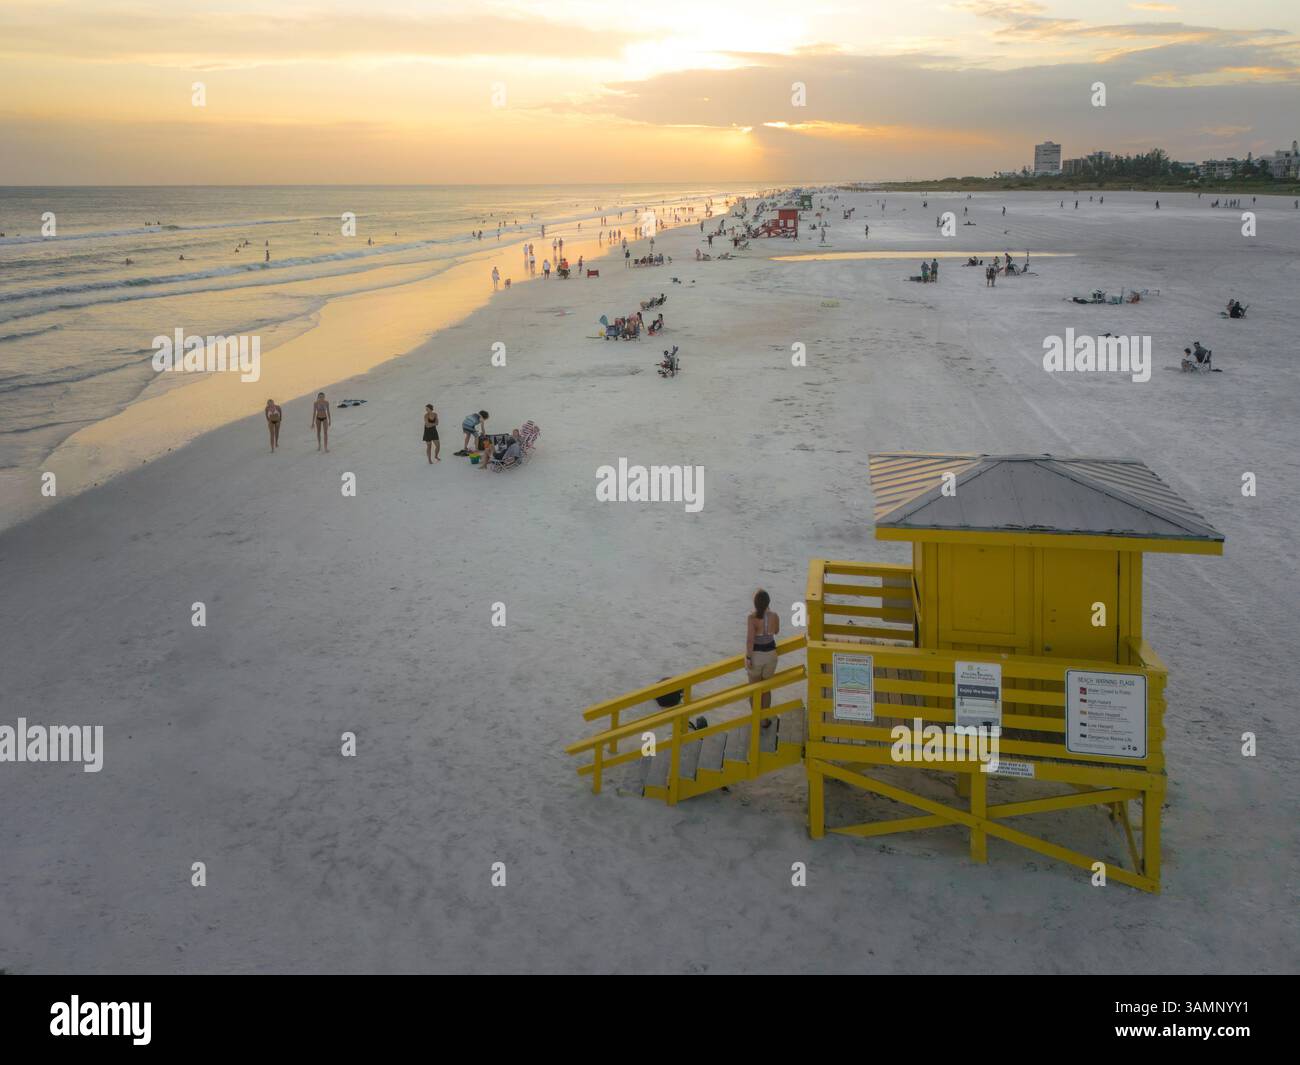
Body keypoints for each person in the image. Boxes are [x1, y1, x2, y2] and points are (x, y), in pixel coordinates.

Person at [746, 589, 780, 727]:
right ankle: (764, 720)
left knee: (754, 690)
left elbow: (750, 640)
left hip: (757, 656)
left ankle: (756, 720)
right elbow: (776, 631)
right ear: (768, 602)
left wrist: (748, 657)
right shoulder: (775, 616)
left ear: (755, 603)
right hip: (771, 655)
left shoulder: (751, 617)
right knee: (766, 689)